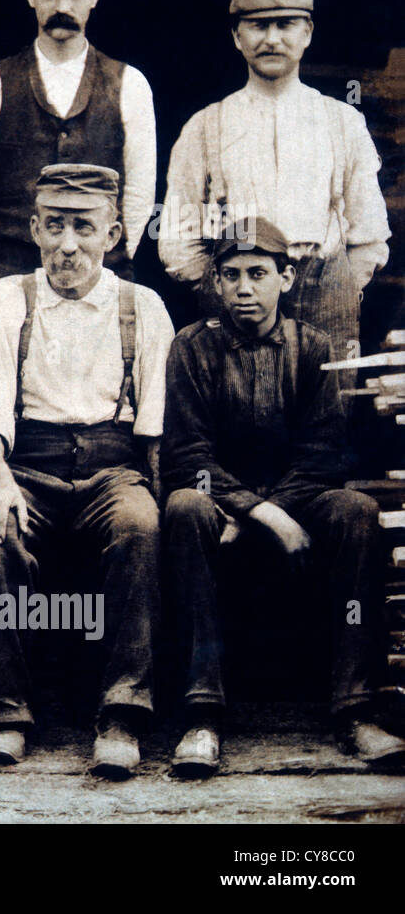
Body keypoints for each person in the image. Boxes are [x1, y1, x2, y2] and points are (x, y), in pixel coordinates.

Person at [161, 217, 405, 777]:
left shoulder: (312, 348)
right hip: (219, 503)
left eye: (258, 273)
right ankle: (203, 715)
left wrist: (269, 511)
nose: (244, 288)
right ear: (215, 284)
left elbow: (322, 456)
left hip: (297, 501)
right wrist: (256, 510)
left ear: (286, 279)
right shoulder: (191, 349)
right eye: (231, 275)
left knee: (356, 510)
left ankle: (355, 709)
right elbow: (188, 459)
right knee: (184, 506)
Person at [0, 164, 173, 779]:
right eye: (54, 226)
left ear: (112, 233)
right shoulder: (6, 299)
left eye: (84, 228)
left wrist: (159, 500)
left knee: (139, 526)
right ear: (33, 229)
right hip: (28, 463)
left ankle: (122, 714)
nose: (68, 245)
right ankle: (7, 711)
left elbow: (154, 428)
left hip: (113, 467)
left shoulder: (143, 306)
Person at [159, 0, 391, 383]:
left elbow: (369, 233)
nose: (271, 39)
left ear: (307, 33)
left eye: (285, 25)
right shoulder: (205, 126)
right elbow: (177, 235)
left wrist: (337, 288)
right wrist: (223, 285)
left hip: (324, 303)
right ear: (236, 35)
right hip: (237, 303)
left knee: (323, 434)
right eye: (258, 25)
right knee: (237, 430)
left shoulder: (343, 122)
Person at [0, 0, 155, 295]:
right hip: (11, 270)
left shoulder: (130, 83)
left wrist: (114, 253)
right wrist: (1, 250)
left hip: (102, 270)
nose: (62, 6)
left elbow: (141, 194)